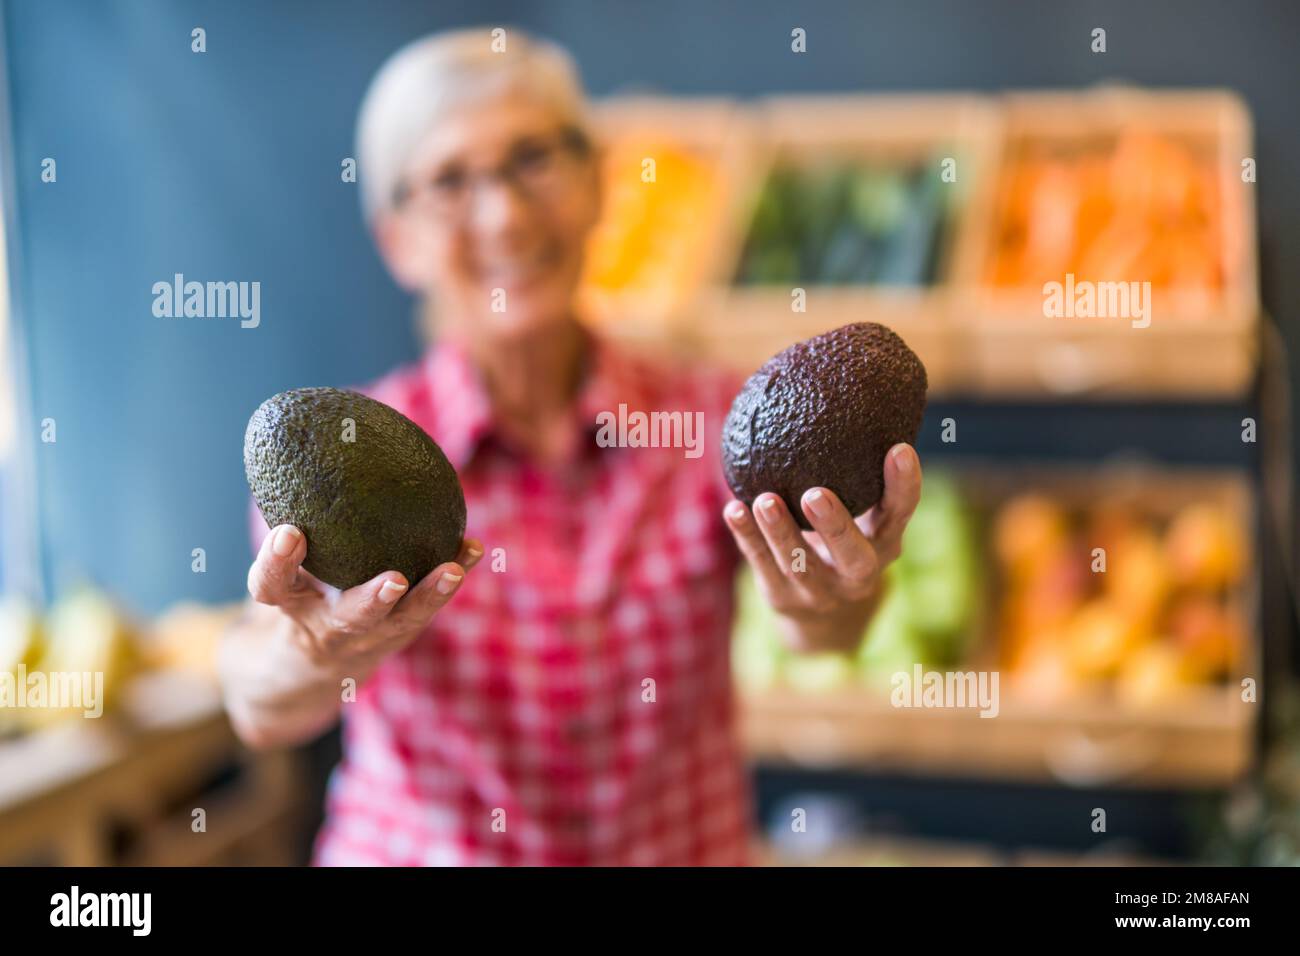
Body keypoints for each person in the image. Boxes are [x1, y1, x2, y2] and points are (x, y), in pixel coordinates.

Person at [219, 28, 922, 866]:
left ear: (595, 183)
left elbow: (826, 635)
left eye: (534, 159)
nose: (506, 213)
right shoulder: (346, 452)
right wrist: (314, 654)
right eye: (450, 180)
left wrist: (833, 599)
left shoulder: (709, 417)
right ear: (397, 239)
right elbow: (261, 707)